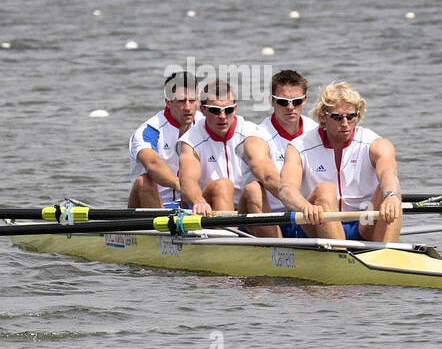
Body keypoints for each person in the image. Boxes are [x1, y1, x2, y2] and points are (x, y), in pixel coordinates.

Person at [177, 78, 322, 237]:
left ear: (236, 108)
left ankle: (279, 249)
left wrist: (296, 201)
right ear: (203, 109)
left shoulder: (251, 132)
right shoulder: (190, 140)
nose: (223, 116)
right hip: (209, 208)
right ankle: (227, 248)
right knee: (223, 186)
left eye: (229, 110)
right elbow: (187, 181)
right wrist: (198, 201)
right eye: (215, 110)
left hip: (244, 209)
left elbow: (267, 175)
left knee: (253, 188)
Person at [290, 81, 401, 242]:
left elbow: (388, 172)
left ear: (358, 115)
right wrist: (304, 207)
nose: (345, 123)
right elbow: (287, 189)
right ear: (323, 117)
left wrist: (391, 195)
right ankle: (339, 254)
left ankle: (388, 254)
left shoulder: (375, 143)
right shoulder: (299, 147)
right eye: (337, 117)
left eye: (351, 116)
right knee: (325, 190)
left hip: (364, 222)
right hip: (318, 222)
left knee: (390, 190)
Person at [255, 70, 319, 237]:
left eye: (296, 101)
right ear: (272, 101)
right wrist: (301, 204)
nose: (290, 107)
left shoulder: (316, 131)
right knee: (252, 189)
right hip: (275, 217)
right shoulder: (258, 135)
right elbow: (269, 178)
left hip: (309, 216)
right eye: (283, 102)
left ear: (304, 100)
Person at [128, 71, 199, 208]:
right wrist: (182, 186)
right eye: (181, 101)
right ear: (168, 102)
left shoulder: (204, 124)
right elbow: (152, 163)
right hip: (154, 203)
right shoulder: (149, 130)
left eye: (191, 100)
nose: (188, 107)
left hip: (193, 203)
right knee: (144, 181)